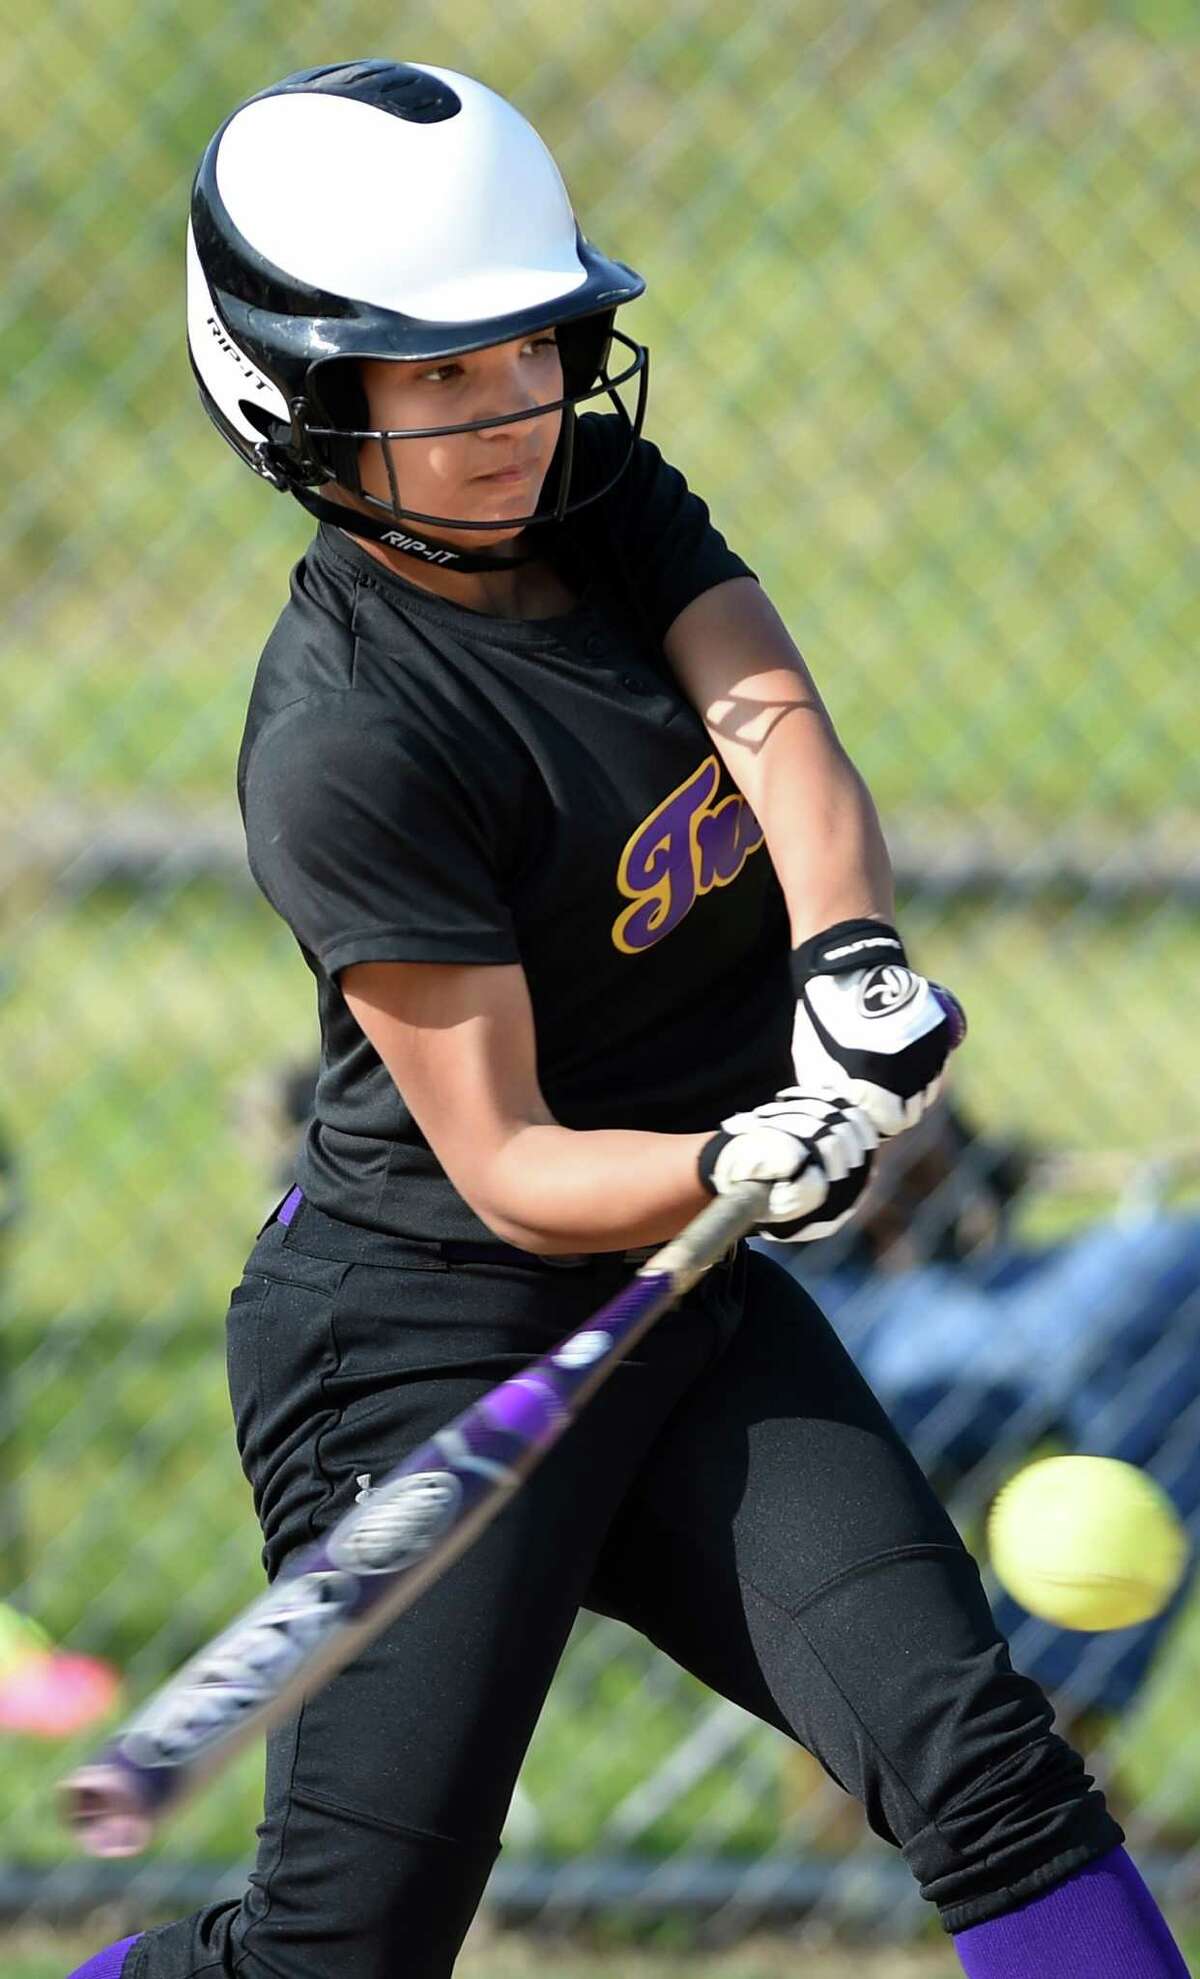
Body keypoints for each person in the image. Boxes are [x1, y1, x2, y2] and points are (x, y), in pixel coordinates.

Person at [71, 59, 1187, 1979]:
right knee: (340, 1956)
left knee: (987, 1767)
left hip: (686, 1307)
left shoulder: (586, 493)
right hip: (422, 1345)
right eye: (438, 373)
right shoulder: (348, 740)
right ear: (300, 397)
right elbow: (507, 1162)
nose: (512, 405)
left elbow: (770, 720)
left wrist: (850, 962)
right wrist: (741, 1150)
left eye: (531, 344)